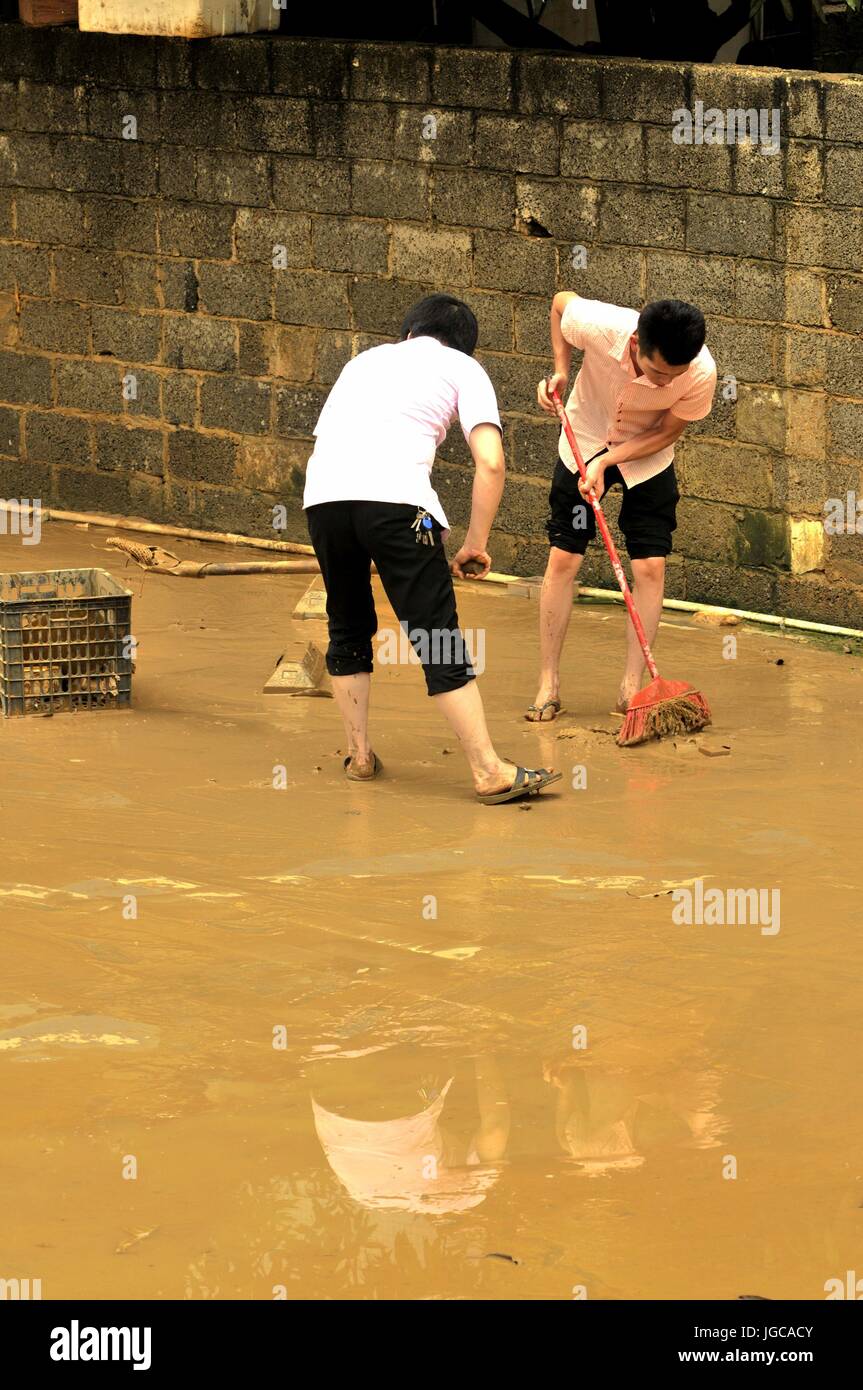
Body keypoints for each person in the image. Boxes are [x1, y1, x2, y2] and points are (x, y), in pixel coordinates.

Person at [303, 292, 560, 804]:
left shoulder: (362, 361)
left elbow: (335, 441)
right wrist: (475, 543)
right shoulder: (464, 369)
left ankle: (359, 757)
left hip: (323, 500)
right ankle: (489, 770)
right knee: (436, 636)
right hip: (402, 507)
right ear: (466, 347)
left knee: (347, 623)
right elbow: (490, 462)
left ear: (409, 332)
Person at [527, 296, 717, 722]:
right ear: (635, 343)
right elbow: (560, 304)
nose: (666, 383)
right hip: (585, 436)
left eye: (675, 375)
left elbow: (669, 430)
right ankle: (548, 683)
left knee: (650, 567)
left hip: (645, 456)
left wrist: (609, 462)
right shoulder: (601, 325)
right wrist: (560, 369)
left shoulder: (701, 372)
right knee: (564, 556)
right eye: (657, 373)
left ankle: (633, 689)